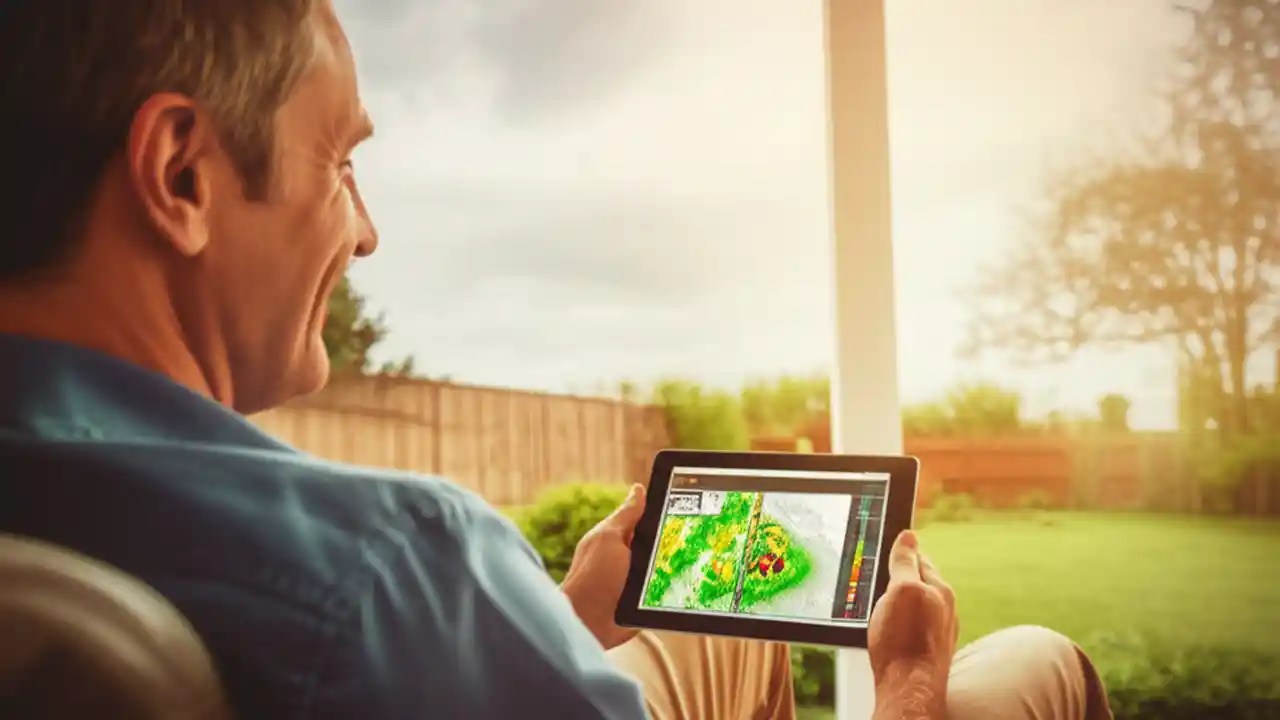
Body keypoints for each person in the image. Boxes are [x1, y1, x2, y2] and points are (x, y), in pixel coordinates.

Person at [0, 1, 1112, 718]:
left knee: (725, 633)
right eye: (339, 163)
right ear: (181, 175)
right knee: (1033, 661)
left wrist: (559, 622)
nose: (366, 233)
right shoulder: (392, 565)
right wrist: (906, 685)